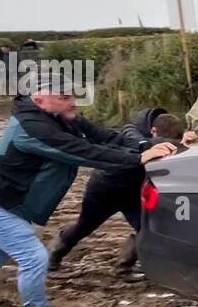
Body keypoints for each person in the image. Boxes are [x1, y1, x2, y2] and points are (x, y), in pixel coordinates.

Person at [0, 77, 175, 307]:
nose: (73, 102)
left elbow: (102, 135)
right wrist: (138, 159)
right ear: (40, 100)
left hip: (6, 202)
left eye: (73, 96)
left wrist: (144, 145)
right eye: (64, 98)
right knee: (33, 258)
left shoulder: (61, 115)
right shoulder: (32, 129)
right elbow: (81, 151)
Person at [48, 110, 187, 274]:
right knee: (84, 226)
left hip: (131, 191)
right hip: (104, 189)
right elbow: (134, 137)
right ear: (153, 131)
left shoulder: (151, 136)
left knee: (146, 228)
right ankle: (50, 257)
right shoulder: (132, 133)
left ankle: (124, 265)